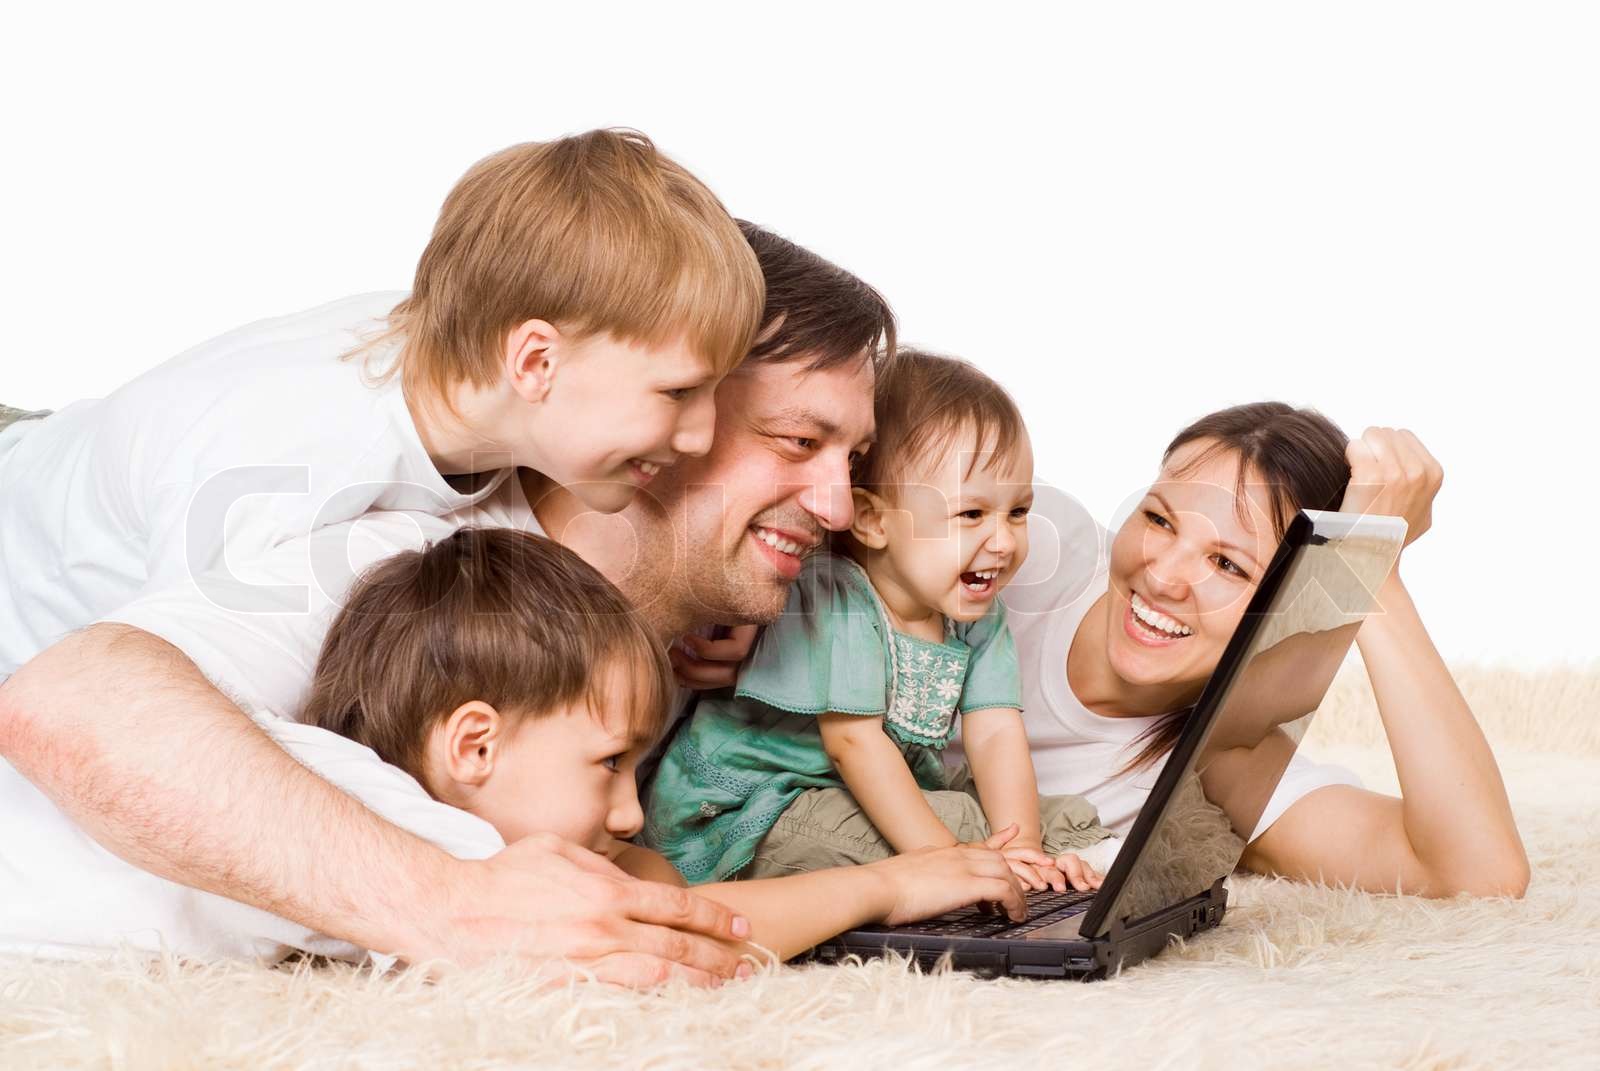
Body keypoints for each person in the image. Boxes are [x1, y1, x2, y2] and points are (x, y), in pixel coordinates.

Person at [0, 220, 907, 985]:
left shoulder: (690, 601)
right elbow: (70, 698)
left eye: (852, 461)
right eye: (796, 440)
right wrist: (447, 904)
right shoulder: (403, 560)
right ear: (667, 411)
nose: (835, 506)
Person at [304, 526, 1030, 966]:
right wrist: (892, 884)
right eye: (609, 763)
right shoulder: (416, 845)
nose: (630, 811)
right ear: (474, 746)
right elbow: (696, 935)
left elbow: (667, 896)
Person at [988, 402, 1530, 898]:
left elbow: (1479, 870)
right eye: (1158, 519)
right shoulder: (1020, 544)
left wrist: (1370, 566)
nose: (1165, 577)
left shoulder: (1222, 766)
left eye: (1228, 565)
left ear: (1287, 613)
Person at [643, 351, 1115, 890]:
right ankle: (979, 874)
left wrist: (1025, 844)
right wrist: (949, 861)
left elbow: (995, 734)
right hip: (758, 805)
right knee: (957, 825)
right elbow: (855, 746)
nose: (1005, 541)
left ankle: (1070, 873)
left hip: (877, 789)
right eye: (971, 515)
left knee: (1055, 815)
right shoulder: (835, 596)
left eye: (1018, 512)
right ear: (871, 519)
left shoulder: (978, 615)